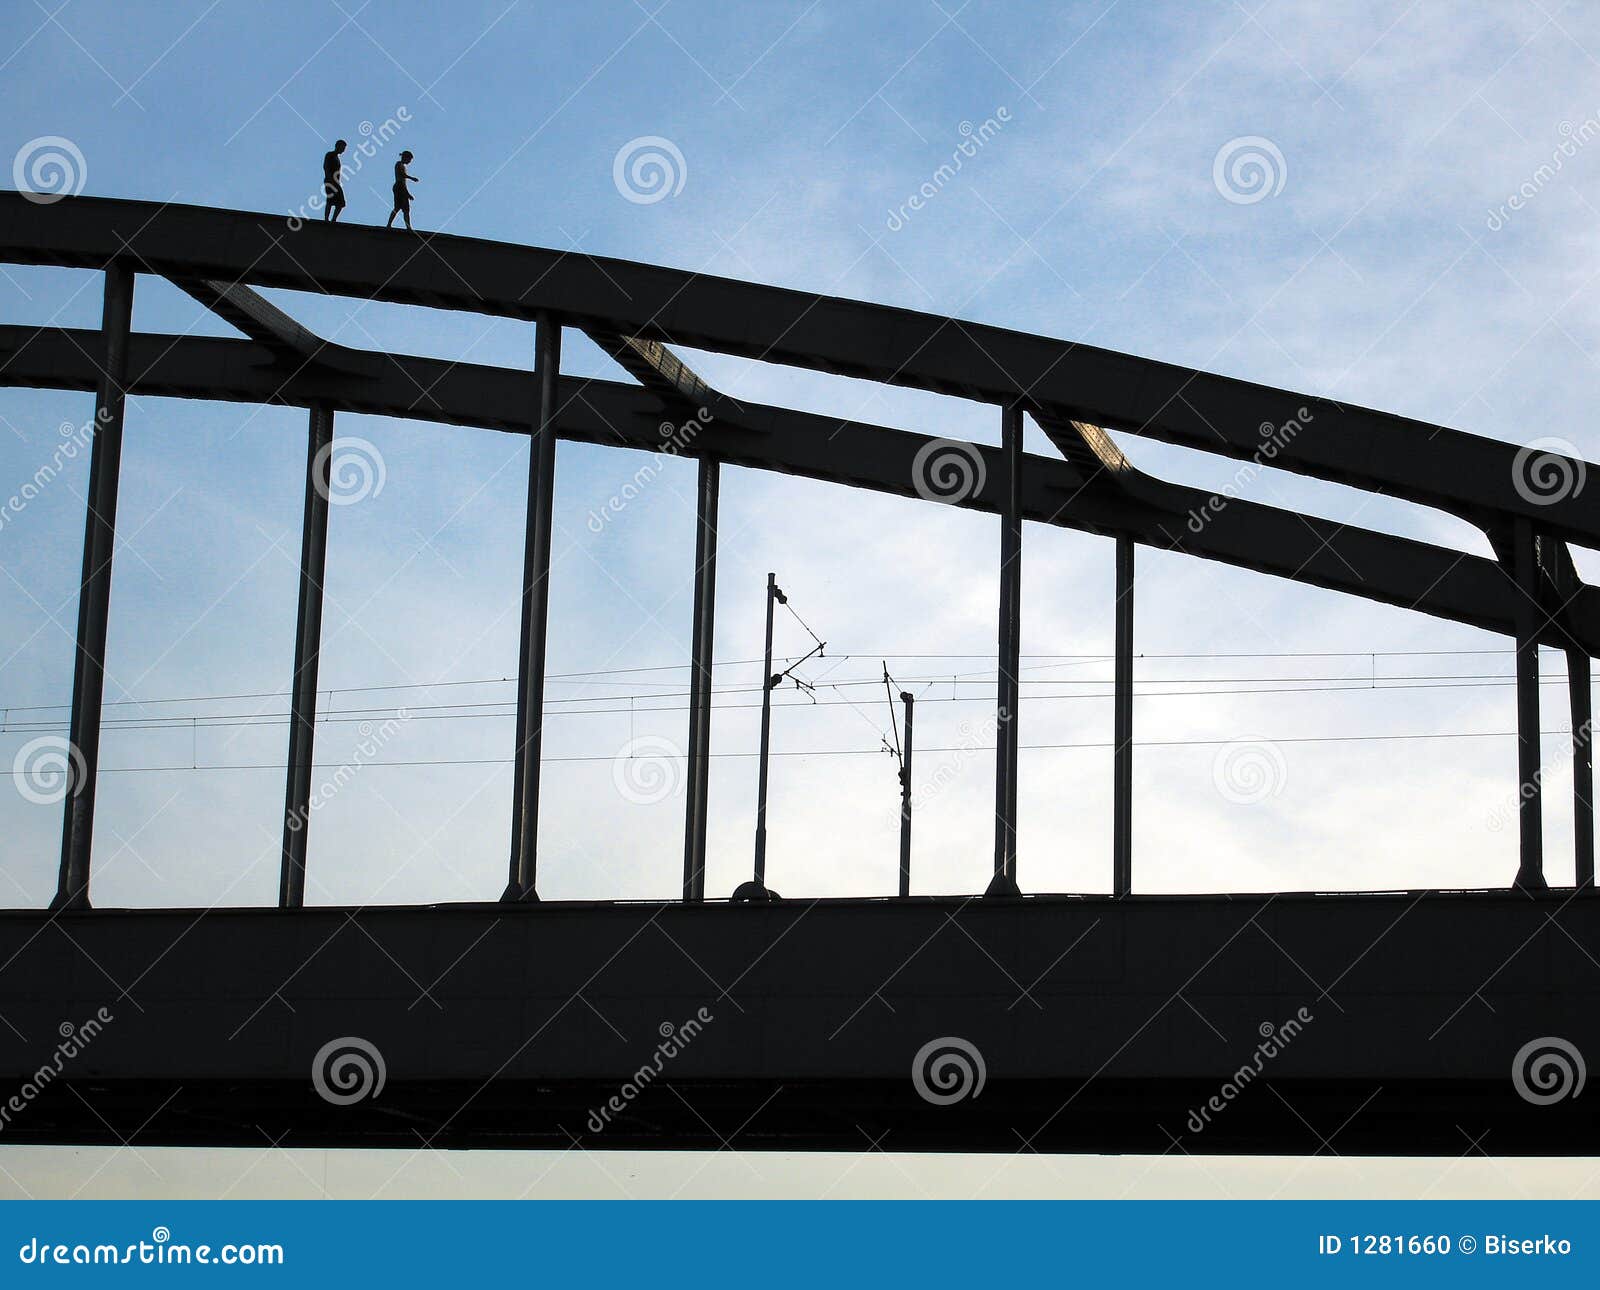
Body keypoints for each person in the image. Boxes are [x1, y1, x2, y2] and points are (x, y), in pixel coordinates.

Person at [386, 150, 418, 230]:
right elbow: (402, 176)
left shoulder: (402, 166)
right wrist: (411, 178)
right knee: (402, 208)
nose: (409, 162)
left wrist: (407, 193)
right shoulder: (399, 164)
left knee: (401, 208)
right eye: (409, 160)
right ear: (405, 158)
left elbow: (403, 182)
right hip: (399, 187)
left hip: (401, 187)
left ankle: (407, 226)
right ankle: (407, 227)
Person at [321, 139, 347, 222]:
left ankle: (334, 219)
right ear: (338, 146)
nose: (343, 150)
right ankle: (326, 219)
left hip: (336, 182)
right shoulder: (330, 155)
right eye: (342, 148)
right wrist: (329, 178)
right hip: (330, 181)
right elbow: (326, 167)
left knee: (341, 203)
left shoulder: (337, 158)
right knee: (330, 200)